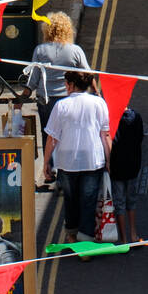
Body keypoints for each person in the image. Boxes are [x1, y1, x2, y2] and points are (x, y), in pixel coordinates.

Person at [43, 71, 111, 242]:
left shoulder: (61, 105)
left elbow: (52, 138)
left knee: (70, 199)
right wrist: (110, 160)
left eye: (66, 84)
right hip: (93, 159)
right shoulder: (98, 102)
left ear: (72, 85)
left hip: (67, 161)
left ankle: (72, 234)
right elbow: (106, 135)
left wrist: (46, 163)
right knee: (89, 202)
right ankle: (85, 241)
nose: (65, 87)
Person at [21, 11, 90, 178]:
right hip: (69, 100)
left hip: (46, 101)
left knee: (49, 135)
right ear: (67, 30)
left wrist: (21, 98)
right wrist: (93, 93)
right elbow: (87, 74)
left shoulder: (40, 50)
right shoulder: (75, 50)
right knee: (68, 134)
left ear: (47, 30)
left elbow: (33, 79)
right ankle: (66, 169)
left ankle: (50, 170)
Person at [109, 105, 144, 243]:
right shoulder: (137, 118)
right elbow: (140, 139)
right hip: (132, 165)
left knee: (119, 203)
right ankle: (133, 234)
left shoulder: (111, 119)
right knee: (131, 200)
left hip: (116, 167)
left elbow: (108, 141)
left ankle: (123, 239)